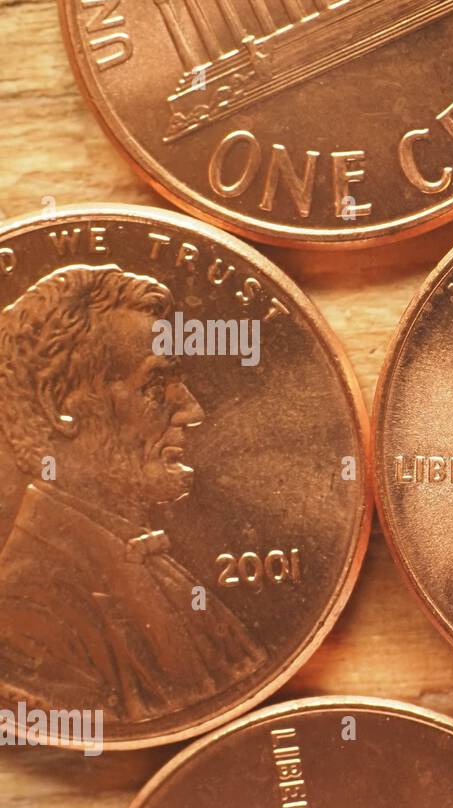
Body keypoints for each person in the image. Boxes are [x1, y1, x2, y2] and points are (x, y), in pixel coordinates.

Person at [0, 265, 263, 723]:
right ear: (59, 406)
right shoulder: (27, 616)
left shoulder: (155, 566)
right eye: (156, 385)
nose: (192, 410)